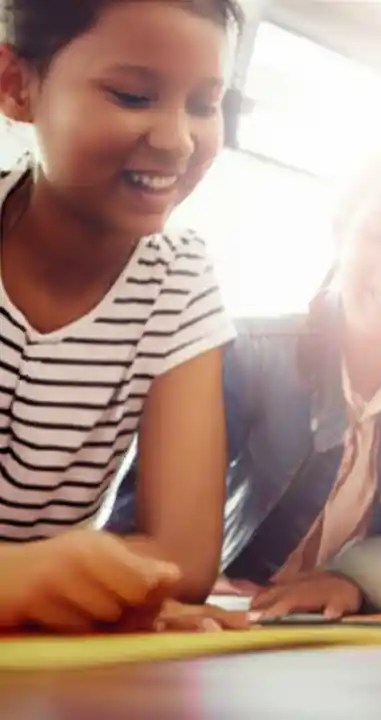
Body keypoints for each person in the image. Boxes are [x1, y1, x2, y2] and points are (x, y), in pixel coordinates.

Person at [109, 134, 381, 619]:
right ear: (340, 230)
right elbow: (136, 541)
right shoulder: (244, 355)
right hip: (230, 621)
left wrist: (357, 582)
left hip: (360, 635)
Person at [0, 0, 244, 631]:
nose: (177, 139)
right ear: (16, 87)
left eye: (204, 104)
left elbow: (183, 561)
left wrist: (100, 592)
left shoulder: (180, 279)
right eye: (133, 95)